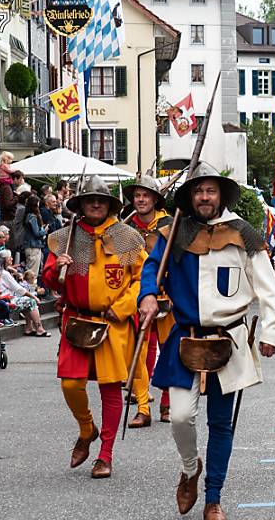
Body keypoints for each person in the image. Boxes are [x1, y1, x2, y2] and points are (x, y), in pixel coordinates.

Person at [139, 162, 275, 519]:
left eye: (211, 190)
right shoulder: (174, 233)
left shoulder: (244, 234)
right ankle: (190, 469)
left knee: (221, 423)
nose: (204, 197)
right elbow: (150, 269)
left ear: (221, 195)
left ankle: (213, 498)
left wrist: (271, 330)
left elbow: (268, 286)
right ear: (191, 196)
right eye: (198, 191)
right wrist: (147, 296)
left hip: (228, 339)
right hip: (185, 337)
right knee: (180, 417)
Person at [43, 175, 146, 480]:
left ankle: (106, 454)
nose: (96, 204)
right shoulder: (65, 238)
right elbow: (50, 281)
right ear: (81, 205)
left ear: (110, 204)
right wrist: (56, 267)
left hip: (112, 321)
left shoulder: (126, 237)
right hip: (78, 320)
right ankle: (87, 429)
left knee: (111, 390)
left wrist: (124, 306)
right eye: (90, 200)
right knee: (71, 384)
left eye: (101, 200)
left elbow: (143, 278)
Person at [123, 175, 174, 428]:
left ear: (155, 198)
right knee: (138, 352)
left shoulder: (170, 225)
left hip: (167, 295)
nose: (141, 199)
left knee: (169, 351)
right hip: (138, 295)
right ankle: (143, 407)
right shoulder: (126, 227)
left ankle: (168, 402)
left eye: (145, 195)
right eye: (137, 196)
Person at [0, 249, 47, 337]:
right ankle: (39, 328)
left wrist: (13, 271)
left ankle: (29, 328)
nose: (12, 259)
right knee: (31, 301)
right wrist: (34, 297)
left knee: (26, 301)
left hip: (2, 299)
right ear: (4, 260)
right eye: (9, 258)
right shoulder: (5, 274)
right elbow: (18, 289)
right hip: (6, 300)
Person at [22, 195, 48, 279]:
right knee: (32, 274)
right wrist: (45, 230)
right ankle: (30, 290)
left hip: (31, 246)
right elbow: (36, 233)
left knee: (31, 271)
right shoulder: (32, 217)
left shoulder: (28, 215)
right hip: (33, 246)